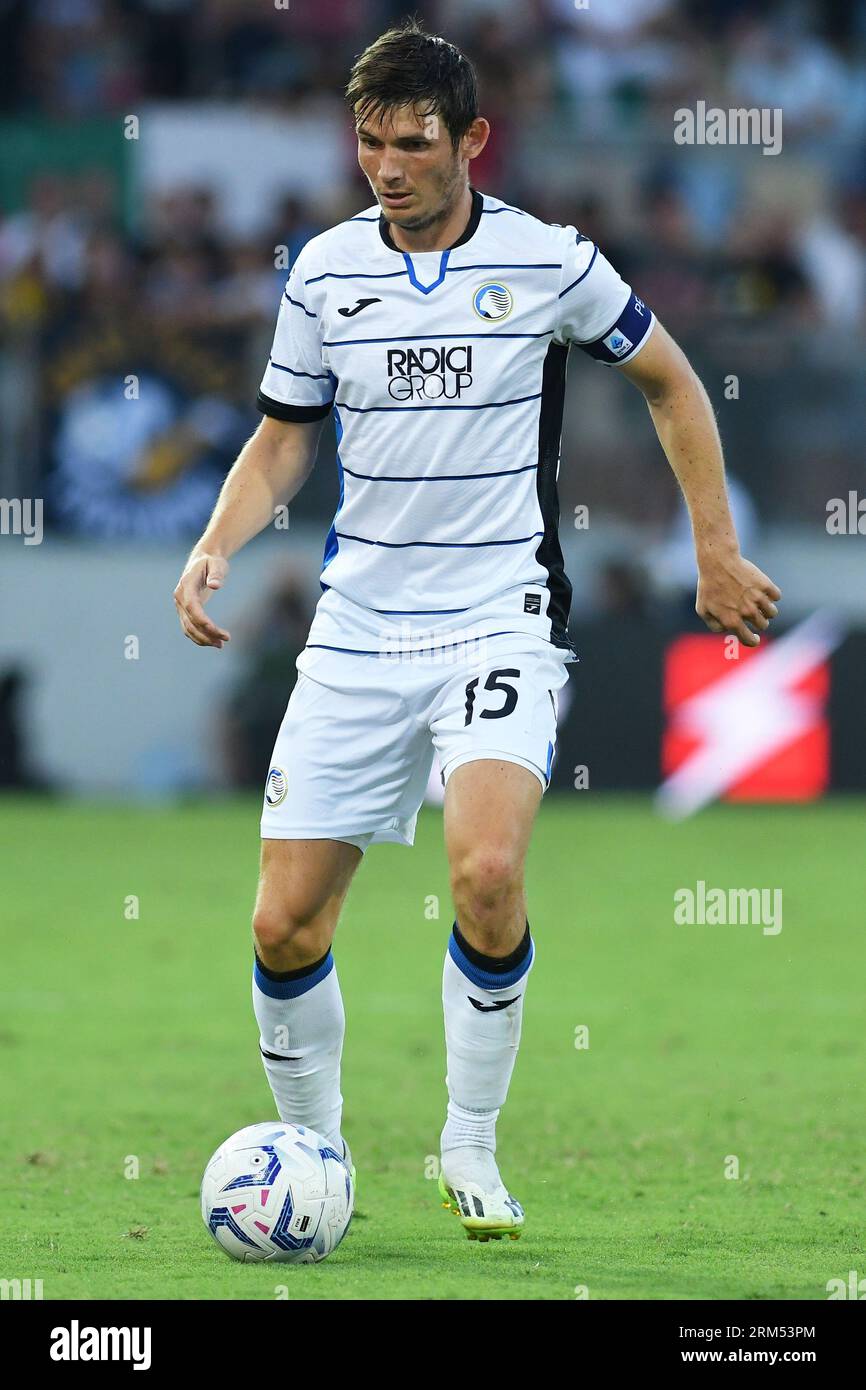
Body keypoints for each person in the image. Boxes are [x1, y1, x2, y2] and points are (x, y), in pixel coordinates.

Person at [173, 21, 781, 1242]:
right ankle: (317, 1152)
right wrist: (218, 538)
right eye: (368, 142)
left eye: (411, 142)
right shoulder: (323, 273)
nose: (386, 166)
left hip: (497, 618)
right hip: (355, 630)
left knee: (487, 871)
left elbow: (669, 378)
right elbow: (288, 432)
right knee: (284, 923)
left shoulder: (549, 262)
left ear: (471, 141)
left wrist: (711, 545)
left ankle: (469, 1145)